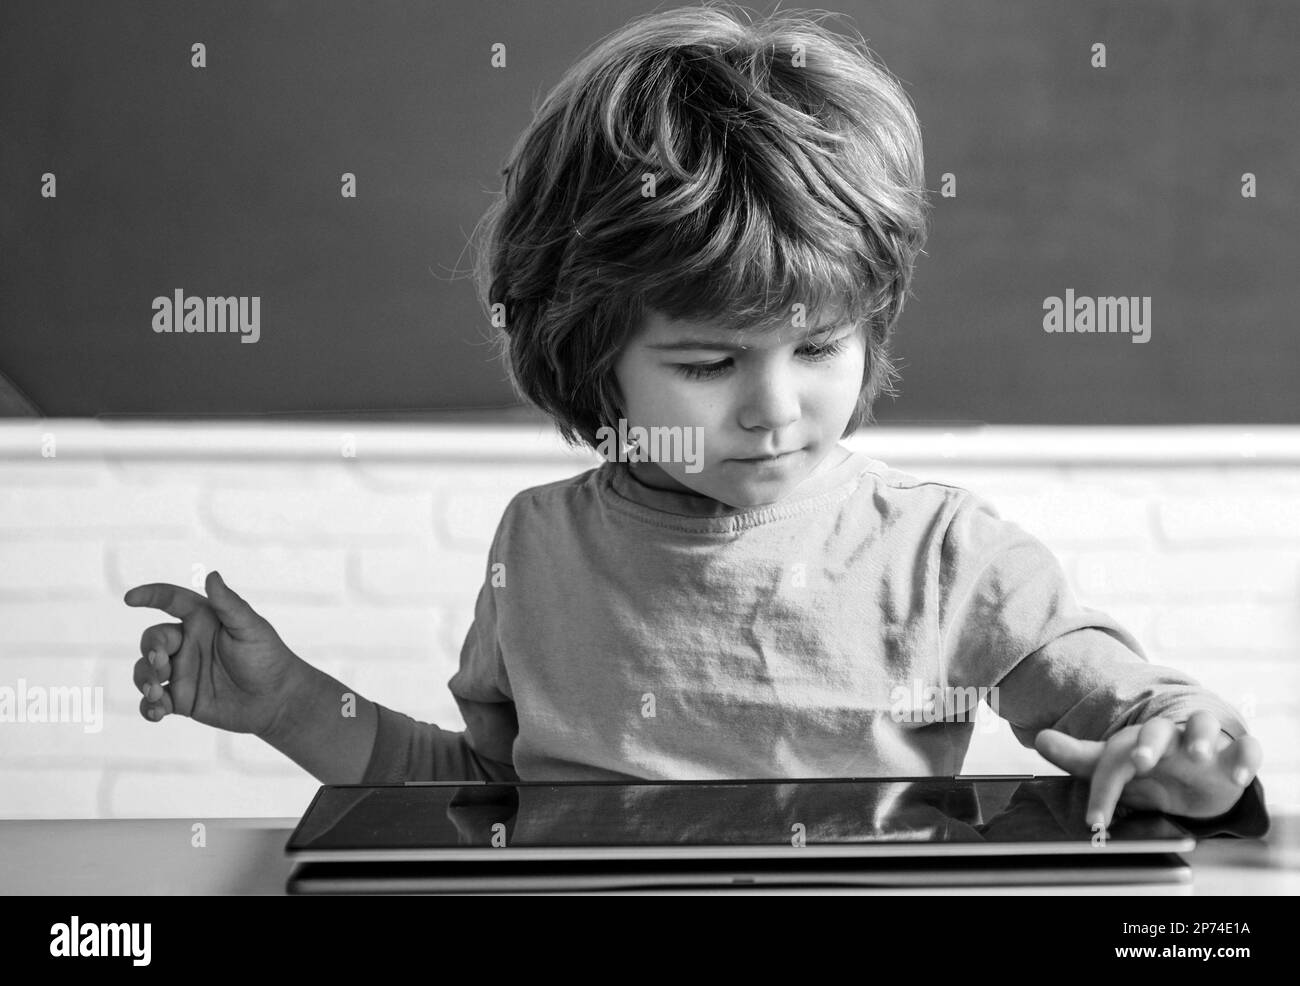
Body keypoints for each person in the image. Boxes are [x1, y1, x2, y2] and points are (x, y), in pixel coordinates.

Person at [124, 3, 1263, 833]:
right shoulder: (538, 546)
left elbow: (1145, 711)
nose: (776, 408)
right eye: (709, 360)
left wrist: (1191, 743)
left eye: (818, 346)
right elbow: (484, 796)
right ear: (592, 354)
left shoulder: (947, 556)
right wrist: (290, 705)